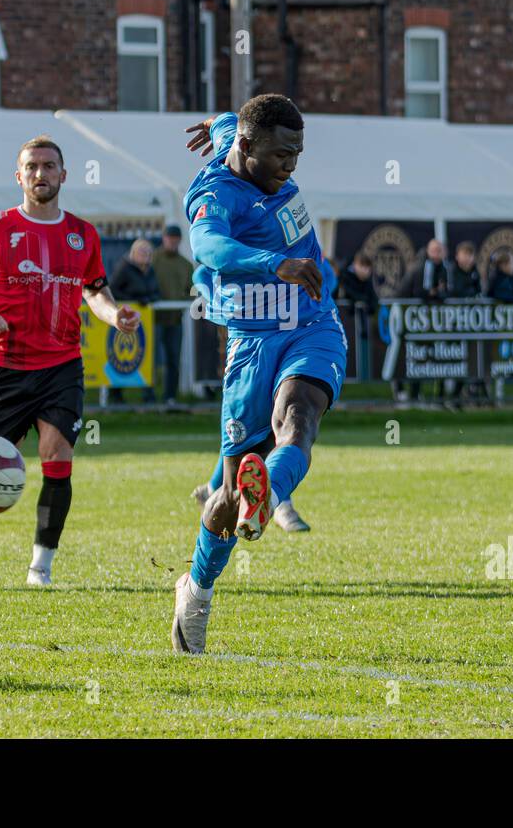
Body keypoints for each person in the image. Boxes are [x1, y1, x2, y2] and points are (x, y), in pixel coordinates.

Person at [172, 93, 345, 653]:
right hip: (251, 342)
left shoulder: (237, 135)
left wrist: (215, 120)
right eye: (281, 156)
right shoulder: (215, 195)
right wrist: (277, 263)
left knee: (298, 419)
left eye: (298, 154)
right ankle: (196, 592)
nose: (291, 166)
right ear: (247, 149)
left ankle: (267, 493)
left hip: (312, 324)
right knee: (224, 498)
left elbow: (230, 119)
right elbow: (211, 246)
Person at [0, 135, 138, 588]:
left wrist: (114, 315)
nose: (40, 174)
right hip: (6, 366)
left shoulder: (83, 233)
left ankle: (41, 566)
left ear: (63, 175)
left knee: (57, 456)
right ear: (19, 176)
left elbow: (95, 291)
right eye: (31, 167)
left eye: (49, 166)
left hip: (62, 365)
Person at [188, 263, 311, 534]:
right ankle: (275, 504)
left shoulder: (279, 251)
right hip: (247, 345)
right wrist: (229, 304)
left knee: (275, 423)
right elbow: (201, 277)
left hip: (286, 344)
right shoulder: (226, 258)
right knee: (248, 432)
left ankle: (223, 490)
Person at [395, 239, 450, 403]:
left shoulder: (443, 268)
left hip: (427, 322)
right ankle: (408, 393)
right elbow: (421, 293)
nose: (437, 253)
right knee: (411, 357)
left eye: (439, 250)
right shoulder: (423, 267)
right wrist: (435, 293)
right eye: (434, 250)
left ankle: (426, 395)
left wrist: (438, 293)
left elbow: (445, 292)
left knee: (429, 357)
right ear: (428, 250)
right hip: (412, 320)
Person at [109, 237, 160, 404]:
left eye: (148, 252)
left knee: (146, 356)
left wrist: (148, 298)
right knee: (119, 355)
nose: (145, 255)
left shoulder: (150, 270)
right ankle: (115, 396)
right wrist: (134, 300)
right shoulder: (124, 268)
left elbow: (156, 291)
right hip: (126, 321)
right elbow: (112, 291)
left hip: (145, 323)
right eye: (141, 251)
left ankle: (148, 395)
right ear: (133, 252)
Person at [152, 225, 194, 407]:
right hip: (153, 319)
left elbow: (192, 290)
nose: (172, 242)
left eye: (176, 239)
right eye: (170, 238)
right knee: (151, 361)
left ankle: (170, 396)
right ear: (163, 238)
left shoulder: (185, 264)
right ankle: (149, 396)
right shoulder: (153, 259)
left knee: (173, 360)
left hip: (175, 320)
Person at [338, 251, 378, 382]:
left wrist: (369, 303)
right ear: (355, 265)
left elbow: (372, 296)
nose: (366, 271)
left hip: (359, 322)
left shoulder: (367, 279)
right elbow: (350, 294)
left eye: (368, 268)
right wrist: (363, 300)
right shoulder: (344, 274)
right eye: (363, 267)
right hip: (344, 321)